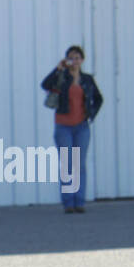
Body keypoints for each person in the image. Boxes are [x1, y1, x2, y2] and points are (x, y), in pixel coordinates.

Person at [41, 45, 102, 213]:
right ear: (66, 60)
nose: (74, 61)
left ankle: (79, 201)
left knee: (80, 164)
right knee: (68, 164)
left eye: (77, 58)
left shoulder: (87, 79)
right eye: (71, 58)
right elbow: (44, 84)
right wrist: (58, 69)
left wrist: (90, 115)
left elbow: (98, 98)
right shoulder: (62, 77)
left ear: (82, 60)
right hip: (63, 126)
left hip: (81, 126)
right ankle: (68, 202)